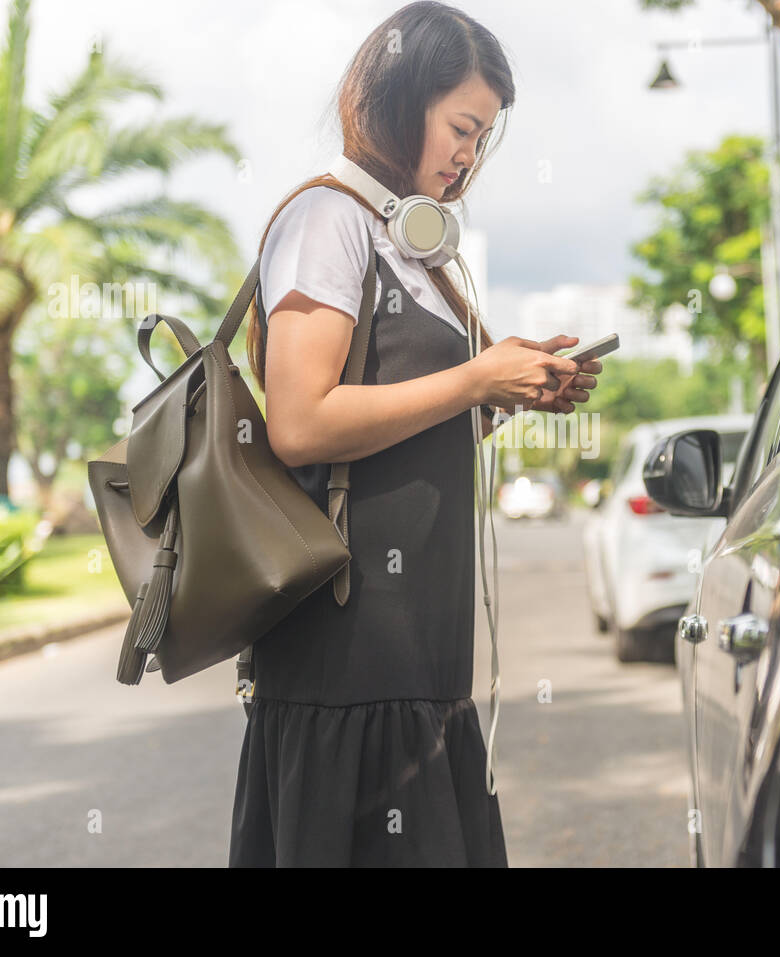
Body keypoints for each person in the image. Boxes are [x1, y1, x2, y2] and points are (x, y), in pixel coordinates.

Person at [228, 1, 603, 866]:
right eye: (462, 127)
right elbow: (299, 420)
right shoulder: (329, 219)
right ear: (400, 100)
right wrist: (474, 376)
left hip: (421, 661)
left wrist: (507, 390)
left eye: (484, 138)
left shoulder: (413, 246)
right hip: (349, 656)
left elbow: (408, 416)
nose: (470, 155)